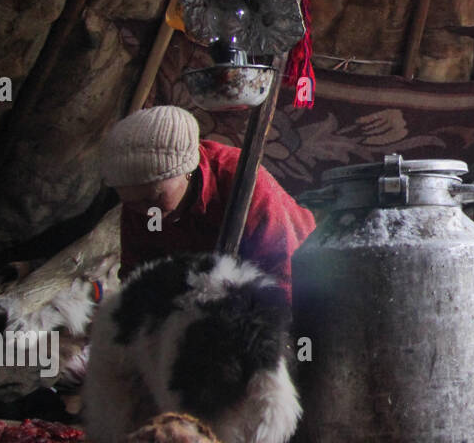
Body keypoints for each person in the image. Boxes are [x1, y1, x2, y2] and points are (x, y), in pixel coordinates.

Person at [99, 105, 315, 299]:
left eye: (154, 198)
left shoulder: (243, 184)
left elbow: (285, 274)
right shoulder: (141, 202)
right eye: (132, 203)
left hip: (296, 285)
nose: (148, 213)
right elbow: (137, 272)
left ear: (187, 172)